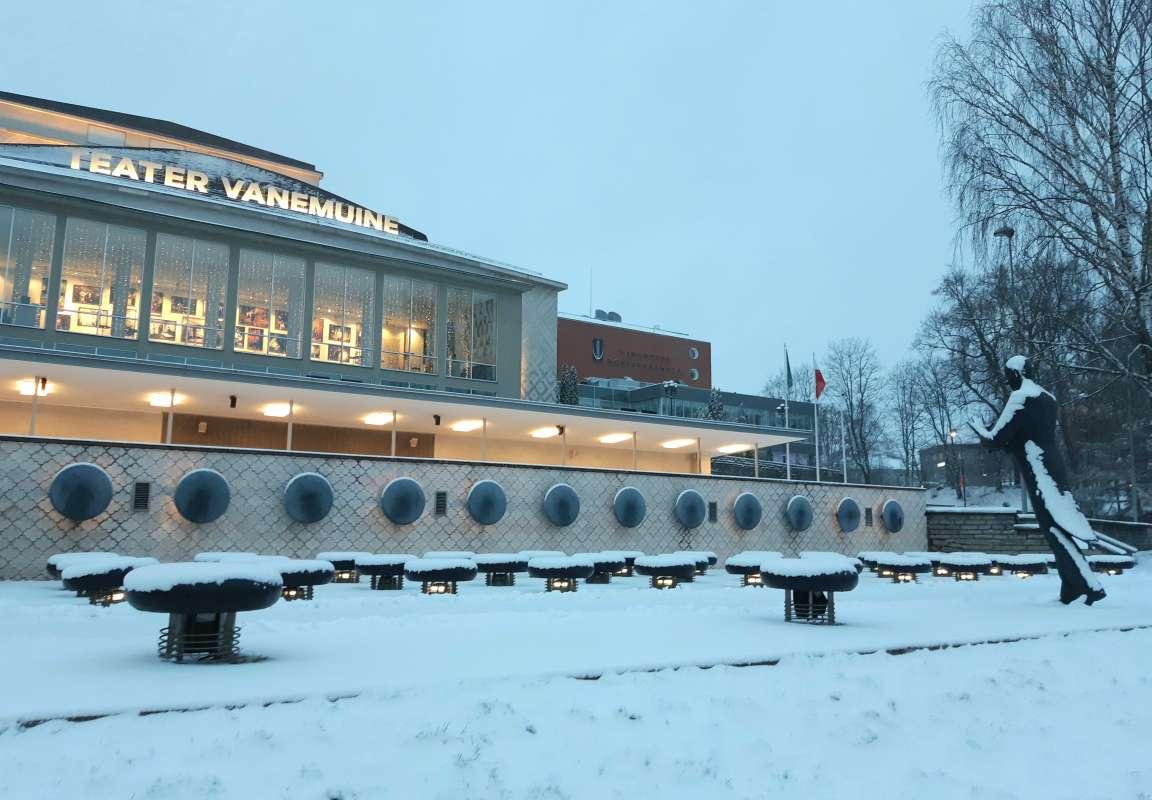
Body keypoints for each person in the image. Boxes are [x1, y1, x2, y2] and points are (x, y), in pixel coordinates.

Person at [971, 356, 1105, 605]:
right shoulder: (1048, 398)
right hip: (1054, 464)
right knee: (1059, 525)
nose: (1008, 380)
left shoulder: (1021, 397)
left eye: (1008, 375)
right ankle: (1071, 590)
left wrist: (979, 428)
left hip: (1037, 469)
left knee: (1053, 528)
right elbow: (1025, 434)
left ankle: (1089, 584)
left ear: (1016, 374)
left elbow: (996, 439)